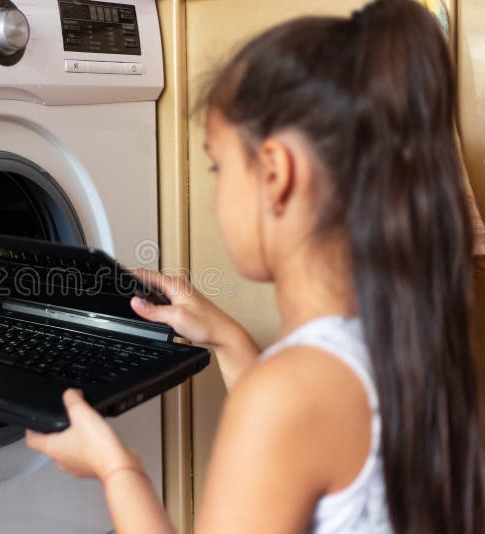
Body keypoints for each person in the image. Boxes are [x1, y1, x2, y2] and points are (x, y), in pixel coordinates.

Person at [25, 0, 485, 532]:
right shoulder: (403, 344)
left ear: (274, 173)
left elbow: (285, 417)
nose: (215, 196)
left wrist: (115, 468)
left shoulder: (285, 398)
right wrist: (226, 337)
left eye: (219, 166)